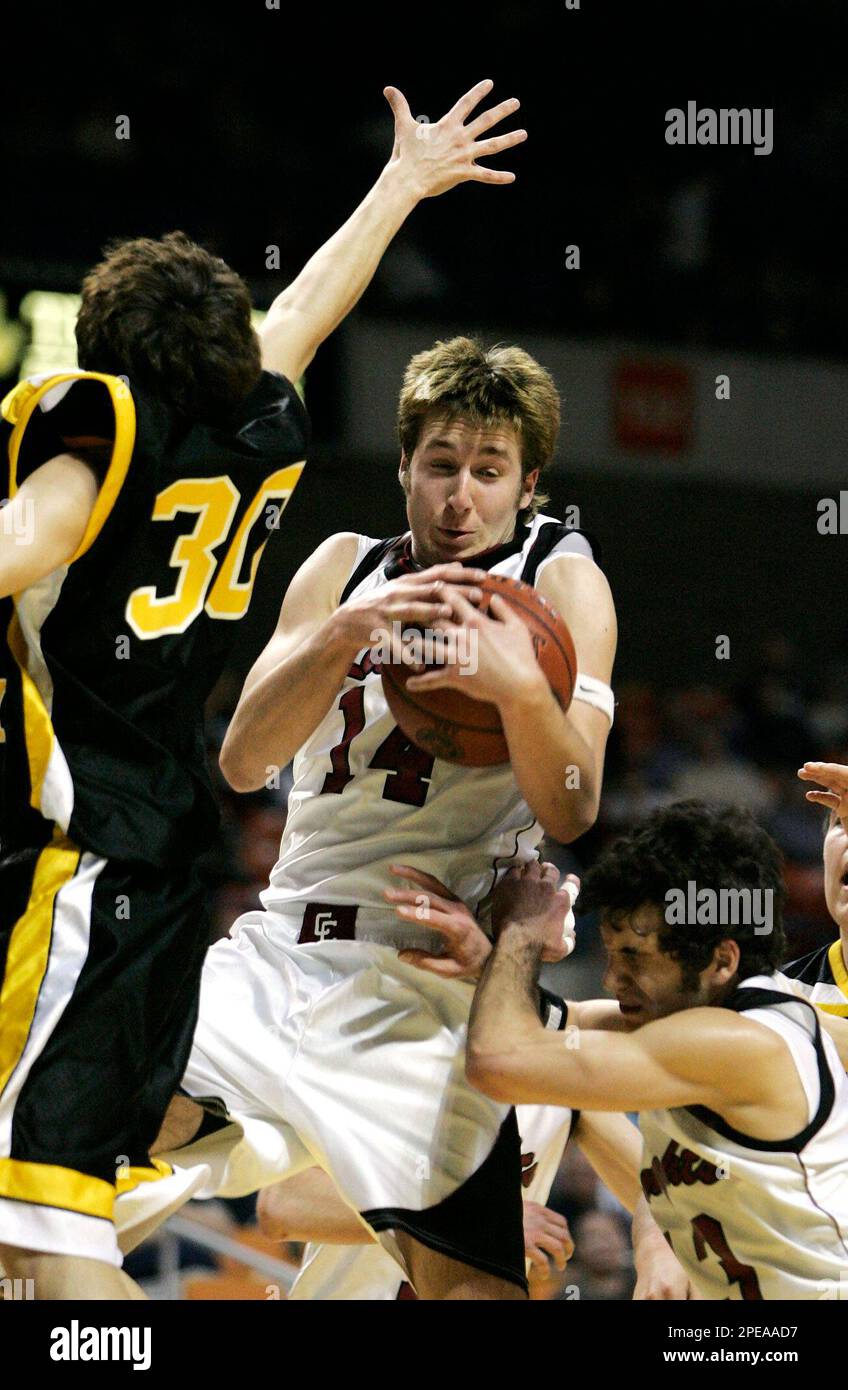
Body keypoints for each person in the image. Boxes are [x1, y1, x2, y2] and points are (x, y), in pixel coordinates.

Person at [0, 77, 526, 1300]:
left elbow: (23, 546)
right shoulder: (253, 430)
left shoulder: (104, 430)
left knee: (48, 1227)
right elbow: (300, 311)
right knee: (45, 1219)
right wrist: (400, 185)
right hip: (157, 853)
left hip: (90, 852)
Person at [119, 331, 618, 1300]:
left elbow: (573, 805)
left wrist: (519, 694)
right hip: (280, 956)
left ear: (528, 483)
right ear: (401, 466)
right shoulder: (341, 566)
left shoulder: (560, 580)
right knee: (84, 1130)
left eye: (486, 469)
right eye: (437, 465)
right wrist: (348, 629)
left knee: (473, 1287)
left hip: (419, 992)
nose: (457, 495)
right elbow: (242, 756)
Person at [466, 801, 848, 1299]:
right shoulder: (738, 1015)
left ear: (720, 959)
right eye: (610, 953)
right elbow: (566, 1018)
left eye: (634, 957)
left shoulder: (729, 1045)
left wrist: (520, 935)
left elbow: (499, 1061)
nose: (612, 979)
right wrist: (480, 961)